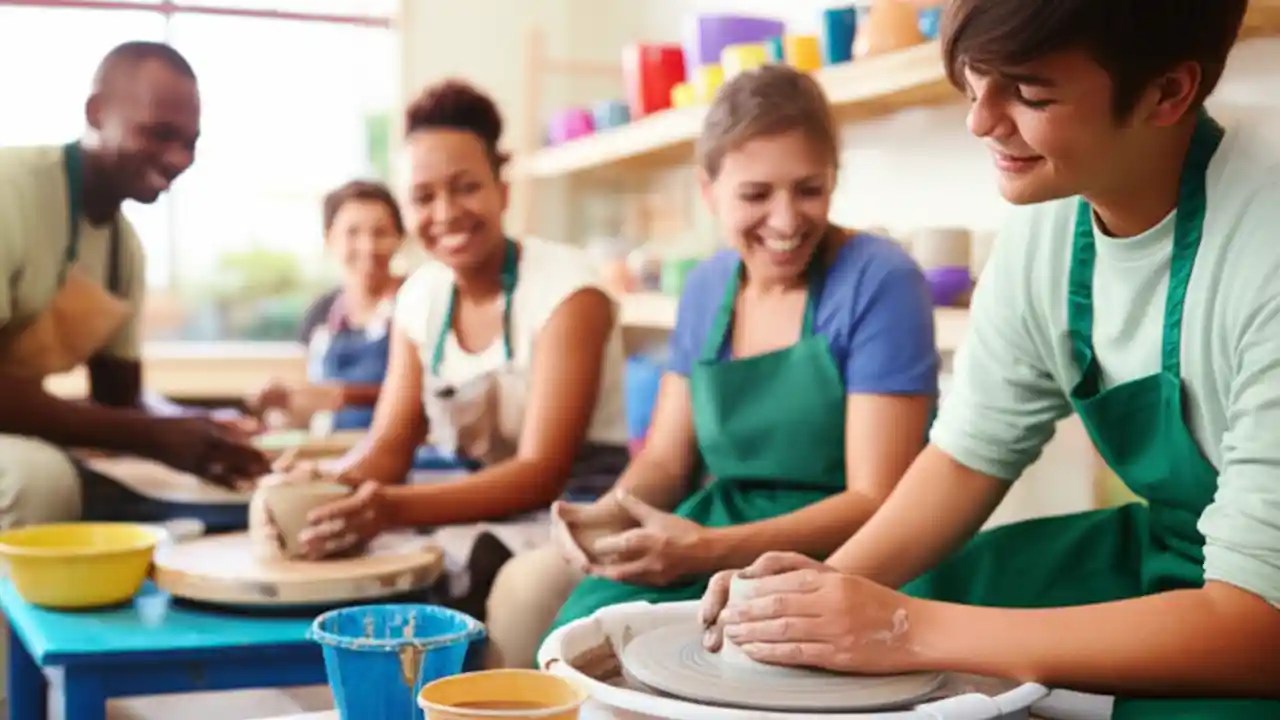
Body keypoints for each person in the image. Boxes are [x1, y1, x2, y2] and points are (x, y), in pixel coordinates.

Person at [699, 1, 1280, 717]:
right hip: (1167, 548)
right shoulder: (1049, 223)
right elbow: (967, 456)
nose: (980, 121)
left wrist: (903, 630)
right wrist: (815, 593)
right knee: (924, 592)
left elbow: (1259, 624)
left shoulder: (1265, 242)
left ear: (1167, 92)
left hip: (1255, 610)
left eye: (1030, 94)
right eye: (976, 84)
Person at [489, 64, 939, 669]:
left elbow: (876, 497)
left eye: (809, 189)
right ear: (708, 192)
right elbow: (668, 461)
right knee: (582, 647)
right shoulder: (707, 287)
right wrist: (612, 514)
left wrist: (702, 550)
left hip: (849, 555)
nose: (786, 221)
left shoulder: (880, 280)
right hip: (714, 533)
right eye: (756, 195)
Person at [286, 80, 631, 621]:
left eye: (465, 187)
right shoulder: (421, 298)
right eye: (423, 197)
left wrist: (391, 508)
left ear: (502, 189)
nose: (445, 213)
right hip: (480, 504)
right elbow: (389, 448)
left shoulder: (568, 290)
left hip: (576, 509)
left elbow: (541, 471)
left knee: (512, 597)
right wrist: (319, 485)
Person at [0, 41, 268, 528]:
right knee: (38, 481)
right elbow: (128, 424)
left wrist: (201, 430)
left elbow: (119, 399)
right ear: (97, 112)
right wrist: (154, 436)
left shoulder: (125, 250)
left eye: (191, 141)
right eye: (160, 133)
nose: (179, 157)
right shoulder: (9, 189)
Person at [250, 180, 405, 432]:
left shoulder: (418, 302)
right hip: (331, 450)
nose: (367, 247)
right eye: (352, 233)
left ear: (400, 238)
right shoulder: (320, 313)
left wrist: (345, 396)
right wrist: (282, 403)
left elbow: (431, 396)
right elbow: (306, 403)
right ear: (329, 238)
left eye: (380, 233)